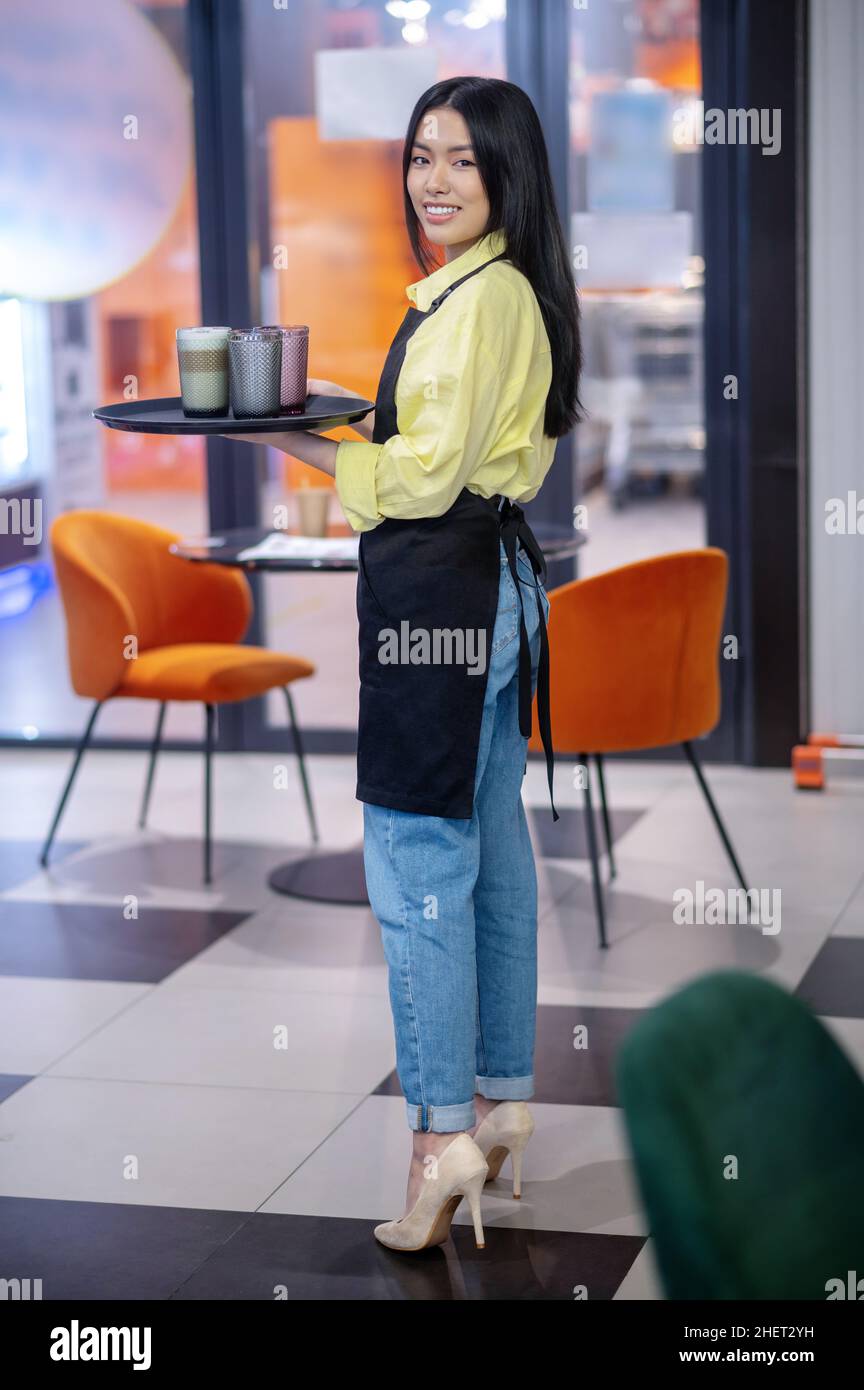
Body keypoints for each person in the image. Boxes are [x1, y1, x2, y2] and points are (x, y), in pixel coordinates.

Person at [231, 76, 582, 1252]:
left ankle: (439, 1141)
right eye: (421, 157)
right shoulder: (508, 291)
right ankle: (502, 1099)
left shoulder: (476, 304)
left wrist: (303, 442)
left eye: (462, 162)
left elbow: (423, 478)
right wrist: (352, 431)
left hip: (442, 594)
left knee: (417, 863)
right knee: (487, 850)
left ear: (506, 175)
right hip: (495, 593)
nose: (433, 181)